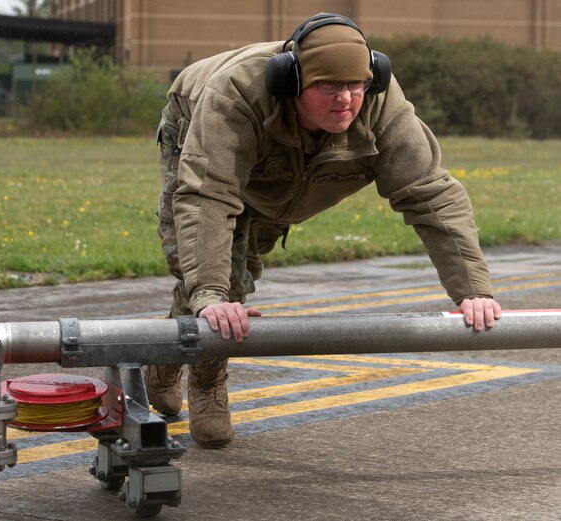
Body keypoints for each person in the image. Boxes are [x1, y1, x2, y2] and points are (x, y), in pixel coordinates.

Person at [147, 13, 502, 448]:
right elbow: (210, 196)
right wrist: (210, 292)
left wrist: (473, 289)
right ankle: (205, 385)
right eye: (329, 87)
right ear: (291, 82)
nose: (346, 100)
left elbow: (429, 192)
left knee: (239, 272)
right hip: (197, 133)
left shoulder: (381, 103)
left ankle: (163, 352)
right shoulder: (235, 95)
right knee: (219, 288)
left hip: (281, 172)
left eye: (356, 85)